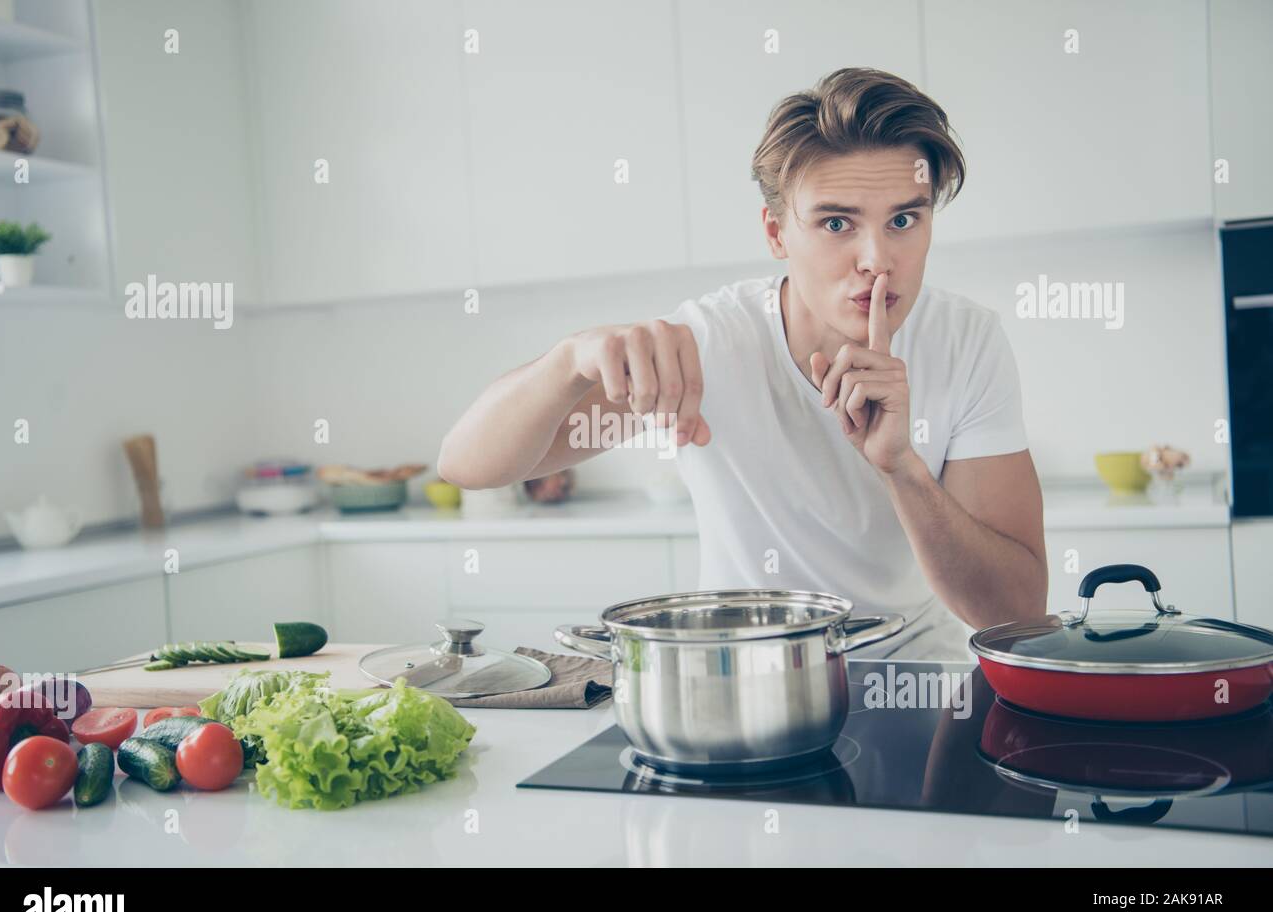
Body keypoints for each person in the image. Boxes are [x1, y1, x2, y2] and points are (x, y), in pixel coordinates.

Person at [438, 67, 1048, 661]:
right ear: (777, 233)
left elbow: (1015, 613)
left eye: (903, 220)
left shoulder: (966, 340)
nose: (876, 259)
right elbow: (467, 465)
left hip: (914, 677)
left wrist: (902, 469)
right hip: (743, 678)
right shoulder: (710, 341)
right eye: (837, 223)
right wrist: (568, 361)